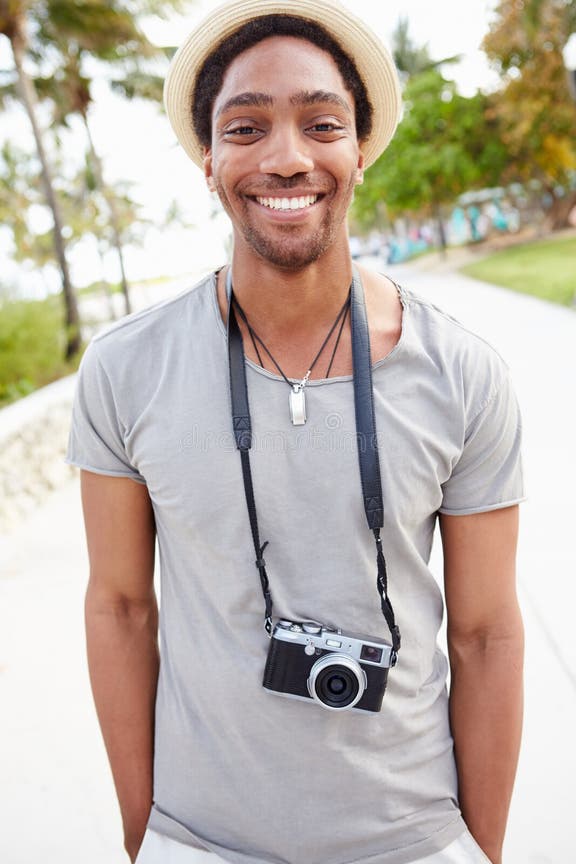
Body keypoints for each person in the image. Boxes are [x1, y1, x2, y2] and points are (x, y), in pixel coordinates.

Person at [66, 2, 525, 863]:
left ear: (360, 150)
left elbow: (488, 633)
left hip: (416, 840)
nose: (286, 158)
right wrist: (146, 838)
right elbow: (120, 609)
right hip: (196, 838)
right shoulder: (126, 369)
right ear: (209, 161)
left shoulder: (463, 374)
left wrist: (479, 849)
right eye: (246, 127)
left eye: (321, 123)